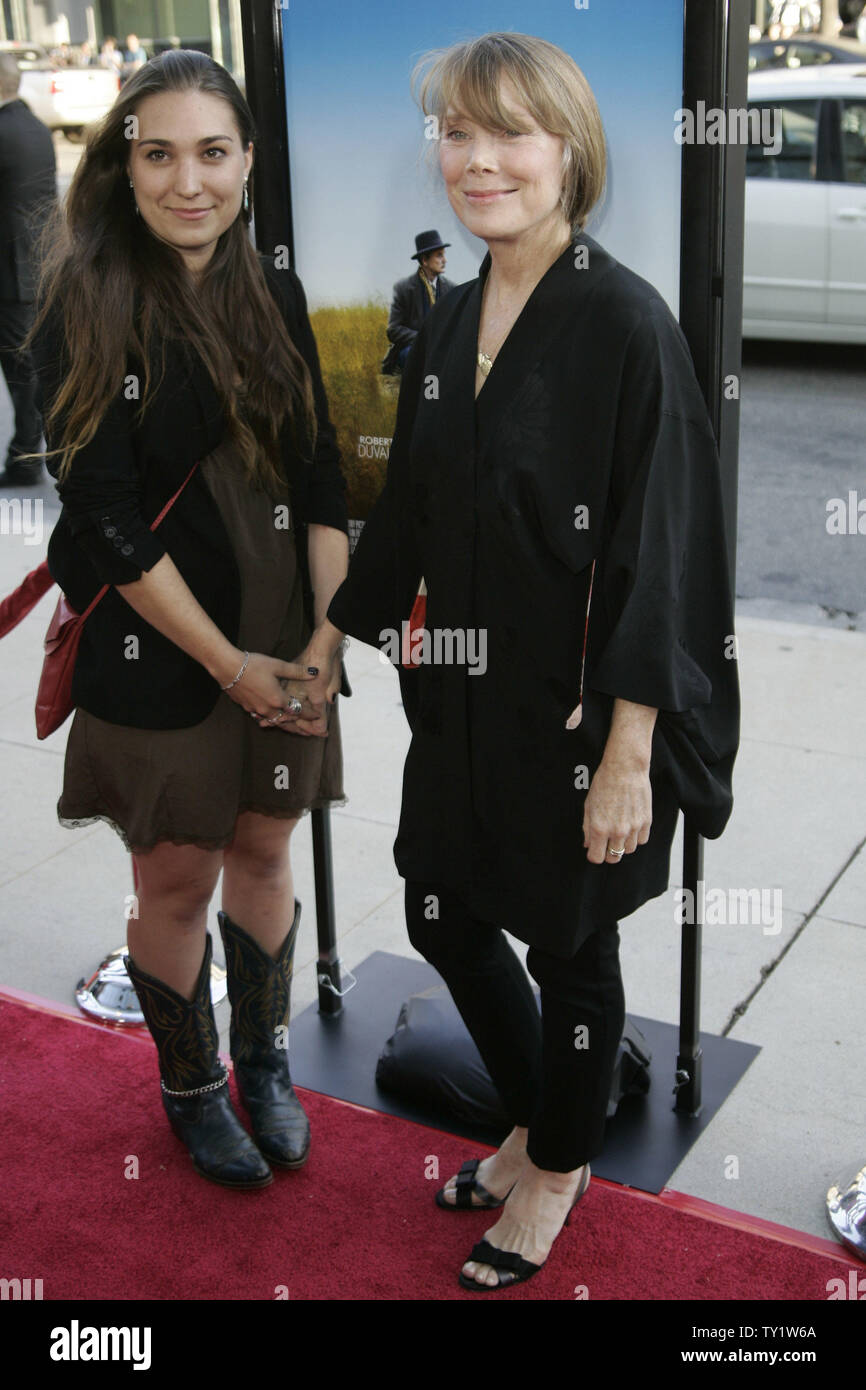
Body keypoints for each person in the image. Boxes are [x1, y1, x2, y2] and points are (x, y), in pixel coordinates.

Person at [313, 32, 740, 1290]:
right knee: (439, 902)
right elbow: (408, 519)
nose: (478, 159)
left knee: (571, 949)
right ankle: (533, 1114)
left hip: (573, 719)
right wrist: (324, 638)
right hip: (455, 693)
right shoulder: (448, 315)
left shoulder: (623, 322)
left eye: (509, 133)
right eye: (456, 132)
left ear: (569, 151)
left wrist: (627, 750)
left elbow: (665, 551)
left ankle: (555, 1165)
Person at [28, 49, 349, 1190]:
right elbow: (106, 516)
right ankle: (191, 1088)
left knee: (264, 846)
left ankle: (264, 1064)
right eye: (157, 153)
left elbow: (320, 476)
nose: (187, 181)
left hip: (284, 626)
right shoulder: (84, 297)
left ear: (249, 158)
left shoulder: (277, 288)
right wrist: (231, 667)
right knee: (176, 880)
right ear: (124, 164)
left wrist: (319, 640)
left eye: (212, 152)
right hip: (159, 641)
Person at [0, 54, 56, 487]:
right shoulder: (35, 127)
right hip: (38, 263)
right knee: (32, 369)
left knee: (23, 376)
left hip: (12, 273)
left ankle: (26, 461)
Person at [381, 230, 454, 375]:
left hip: (442, 349)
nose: (445, 260)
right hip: (412, 349)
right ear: (424, 260)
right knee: (420, 358)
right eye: (439, 255)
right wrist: (422, 339)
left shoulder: (451, 289)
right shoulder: (404, 288)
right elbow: (393, 330)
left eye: (444, 255)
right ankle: (429, 394)